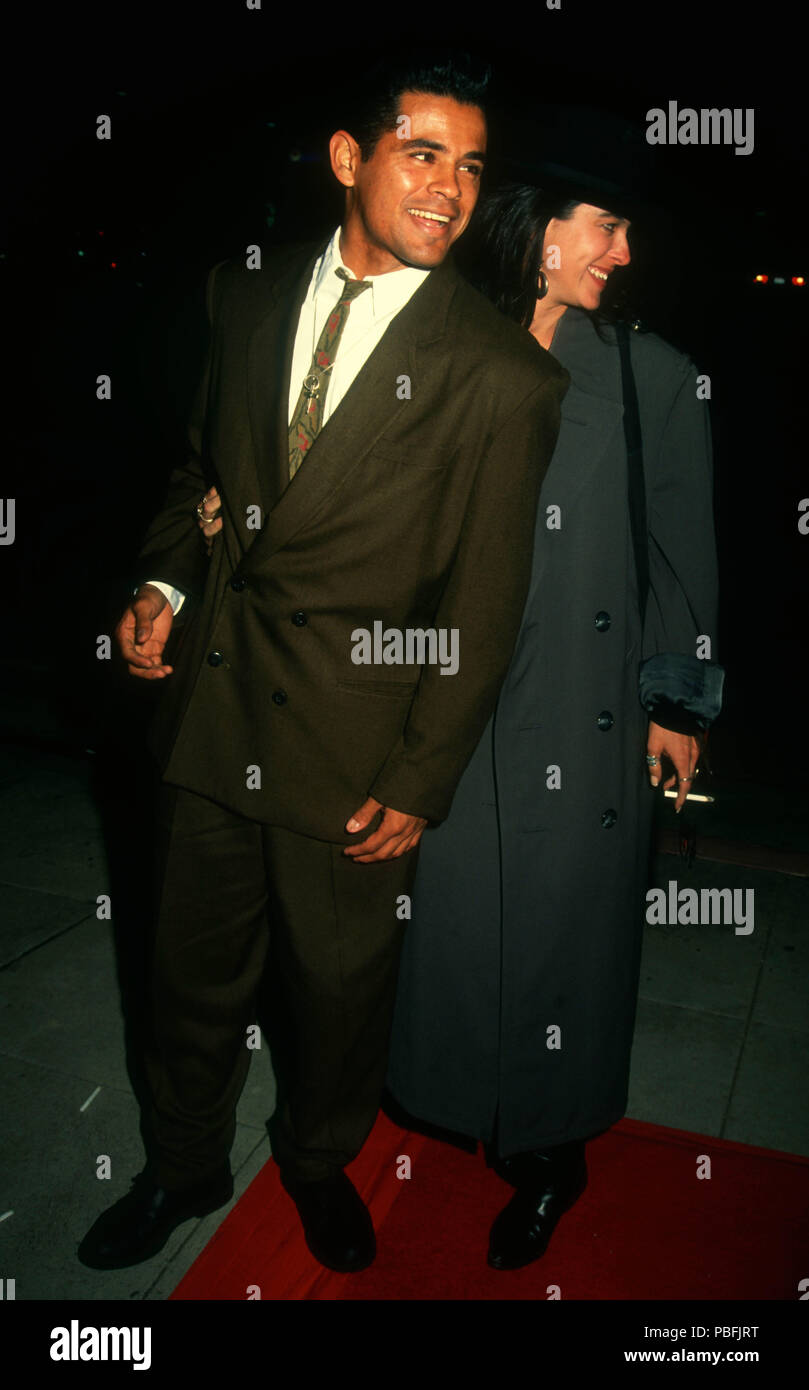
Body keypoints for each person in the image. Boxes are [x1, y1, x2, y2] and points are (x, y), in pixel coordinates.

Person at [77, 55, 569, 1274]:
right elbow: (201, 472)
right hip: (211, 712)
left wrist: (419, 778)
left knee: (337, 1003)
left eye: (469, 166)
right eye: (422, 154)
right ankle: (181, 1166)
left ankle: (314, 1158)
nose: (451, 190)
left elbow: (484, 600)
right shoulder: (237, 300)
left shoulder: (505, 376)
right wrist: (163, 581)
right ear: (349, 159)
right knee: (186, 977)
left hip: (355, 753)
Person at [385, 122, 724, 1271]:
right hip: (461, 703)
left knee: (566, 942)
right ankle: (459, 1096)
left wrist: (673, 707)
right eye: (606, 227)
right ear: (537, 234)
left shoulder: (650, 376)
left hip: (584, 705)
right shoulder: (444, 351)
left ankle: (550, 1151)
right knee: (461, 926)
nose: (622, 252)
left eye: (626, 228)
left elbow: (681, 556)